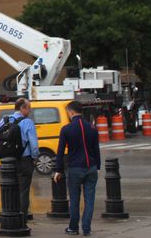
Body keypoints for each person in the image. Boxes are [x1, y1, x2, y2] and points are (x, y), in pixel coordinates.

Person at [53, 101, 100, 236]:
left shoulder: (66, 129)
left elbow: (60, 151)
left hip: (75, 168)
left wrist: (59, 170)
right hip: (90, 166)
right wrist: (97, 165)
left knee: (74, 199)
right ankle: (86, 228)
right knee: (89, 199)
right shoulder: (91, 128)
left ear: (71, 112)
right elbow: (96, 149)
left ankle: (73, 228)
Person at [0, 97, 39, 229]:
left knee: (10, 189)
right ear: (22, 108)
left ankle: (9, 218)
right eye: (28, 108)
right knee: (23, 191)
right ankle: (22, 221)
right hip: (24, 160)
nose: (30, 110)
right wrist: (34, 158)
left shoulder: (4, 120)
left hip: (7, 162)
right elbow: (34, 145)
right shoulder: (28, 122)